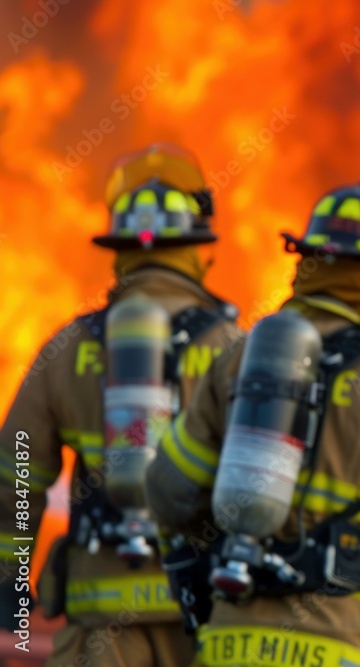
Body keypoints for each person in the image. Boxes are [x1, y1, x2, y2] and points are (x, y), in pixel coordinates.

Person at [144, 178, 360, 667]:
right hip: (345, 644)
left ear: (308, 260)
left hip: (231, 639)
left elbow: (169, 493)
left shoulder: (238, 359)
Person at [0, 143, 243, 666]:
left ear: (118, 248)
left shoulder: (68, 348)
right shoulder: (233, 348)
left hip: (101, 621)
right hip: (207, 613)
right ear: (200, 248)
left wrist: (10, 578)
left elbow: (16, 474)